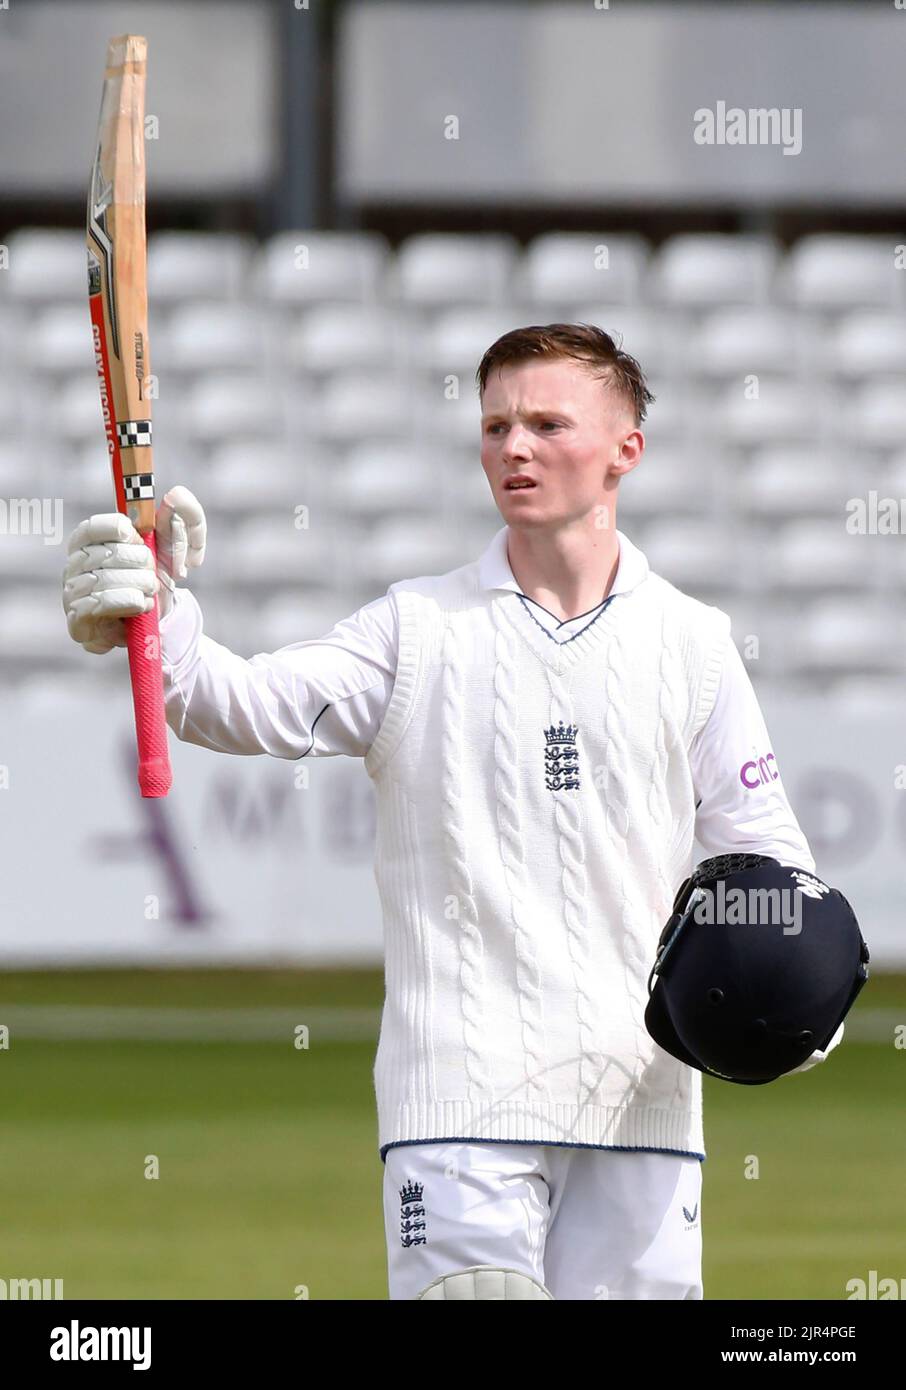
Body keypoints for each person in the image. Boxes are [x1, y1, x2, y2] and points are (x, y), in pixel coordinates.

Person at [62, 323, 838, 1300]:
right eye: (496, 426)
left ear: (625, 449)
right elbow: (235, 701)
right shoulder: (414, 629)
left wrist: (796, 997)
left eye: (547, 423)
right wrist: (157, 611)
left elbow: (770, 863)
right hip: (458, 1105)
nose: (514, 447)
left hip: (642, 1105)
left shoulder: (696, 644)